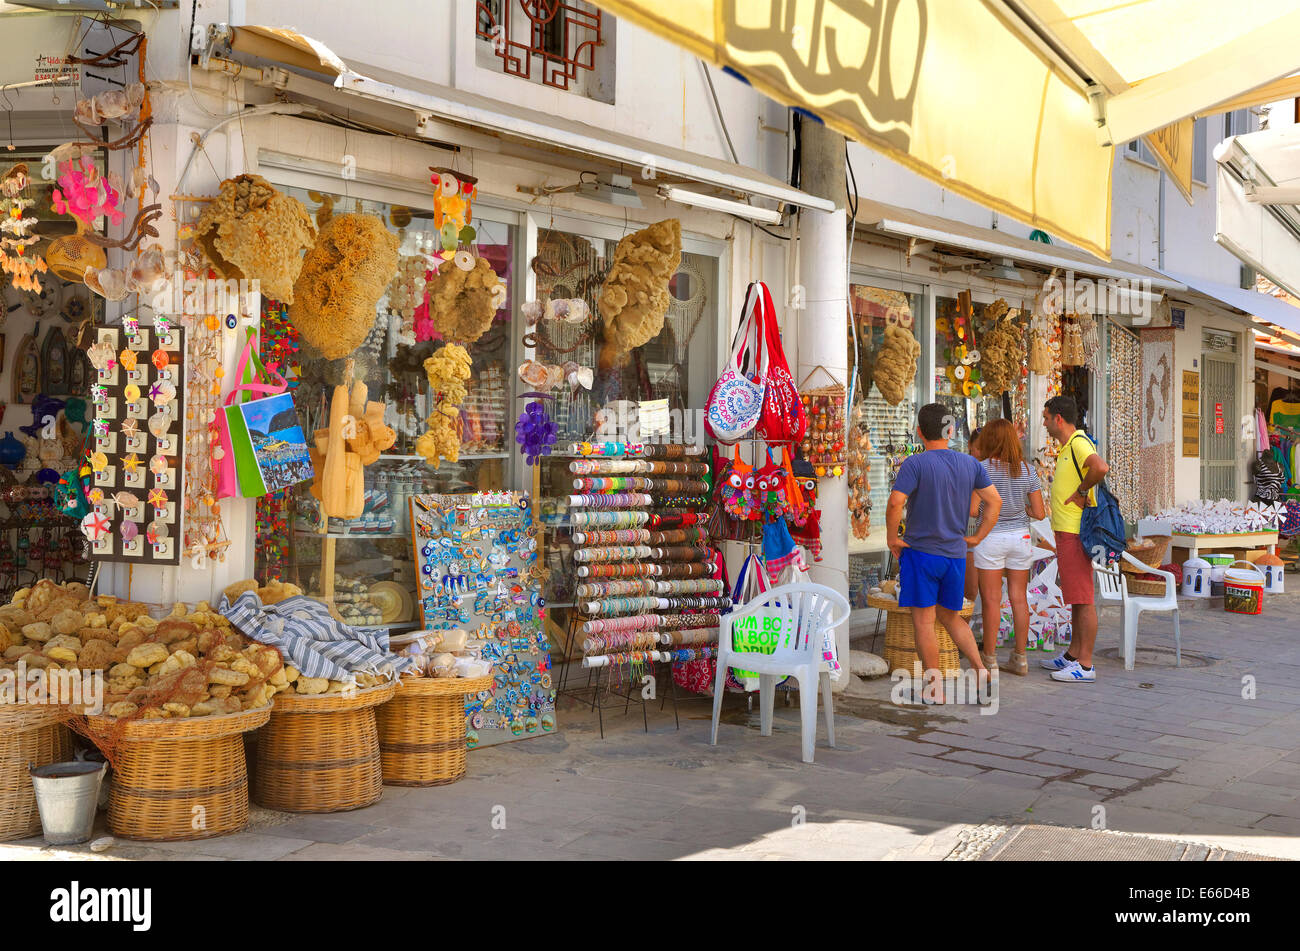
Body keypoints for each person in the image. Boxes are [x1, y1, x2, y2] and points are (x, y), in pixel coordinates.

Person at [886, 403, 1002, 702]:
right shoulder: (970, 464)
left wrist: (891, 539)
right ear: (950, 431)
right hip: (955, 555)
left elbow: (895, 503)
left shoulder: (915, 464)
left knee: (924, 622)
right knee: (951, 618)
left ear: (919, 432)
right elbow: (995, 503)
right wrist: (977, 537)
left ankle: (935, 688)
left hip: (921, 554)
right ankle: (980, 669)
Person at [1040, 396, 1109, 683]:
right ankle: (1072, 655)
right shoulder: (1069, 446)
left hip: (1075, 530)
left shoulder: (1079, 443)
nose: (1043, 422)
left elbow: (1100, 467)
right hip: (1068, 530)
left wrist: (1081, 491)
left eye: (1045, 417)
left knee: (1083, 598)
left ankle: (1086, 665)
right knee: (1077, 599)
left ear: (1058, 418)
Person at [971, 418, 1045, 676]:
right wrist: (1018, 509)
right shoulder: (1027, 470)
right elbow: (1039, 513)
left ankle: (989, 659)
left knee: (991, 601)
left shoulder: (980, 469)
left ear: (989, 440)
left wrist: (987, 508)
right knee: (1019, 598)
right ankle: (1020, 659)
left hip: (990, 538)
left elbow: (972, 510)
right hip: (1020, 539)